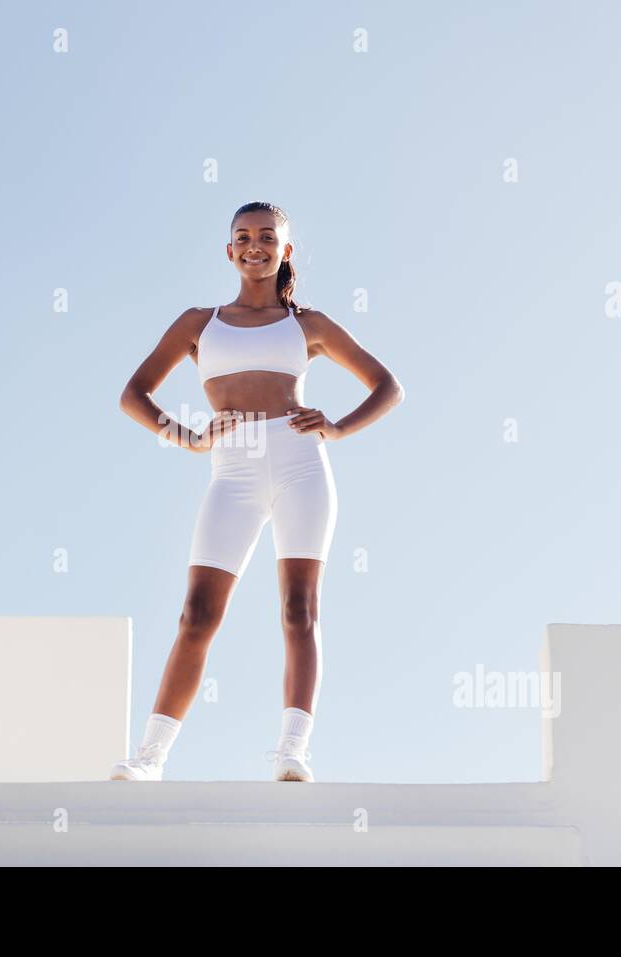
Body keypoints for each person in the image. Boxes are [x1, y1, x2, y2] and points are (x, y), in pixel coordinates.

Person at [112, 201, 405, 782]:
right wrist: (189, 439)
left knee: (300, 610)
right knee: (197, 614)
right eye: (243, 237)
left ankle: (293, 751)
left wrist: (339, 427)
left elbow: (387, 385)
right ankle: (150, 758)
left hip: (301, 464)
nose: (255, 246)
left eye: (268, 237)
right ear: (228, 251)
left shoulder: (309, 325)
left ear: (285, 250)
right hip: (234, 471)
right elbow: (134, 394)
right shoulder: (199, 323)